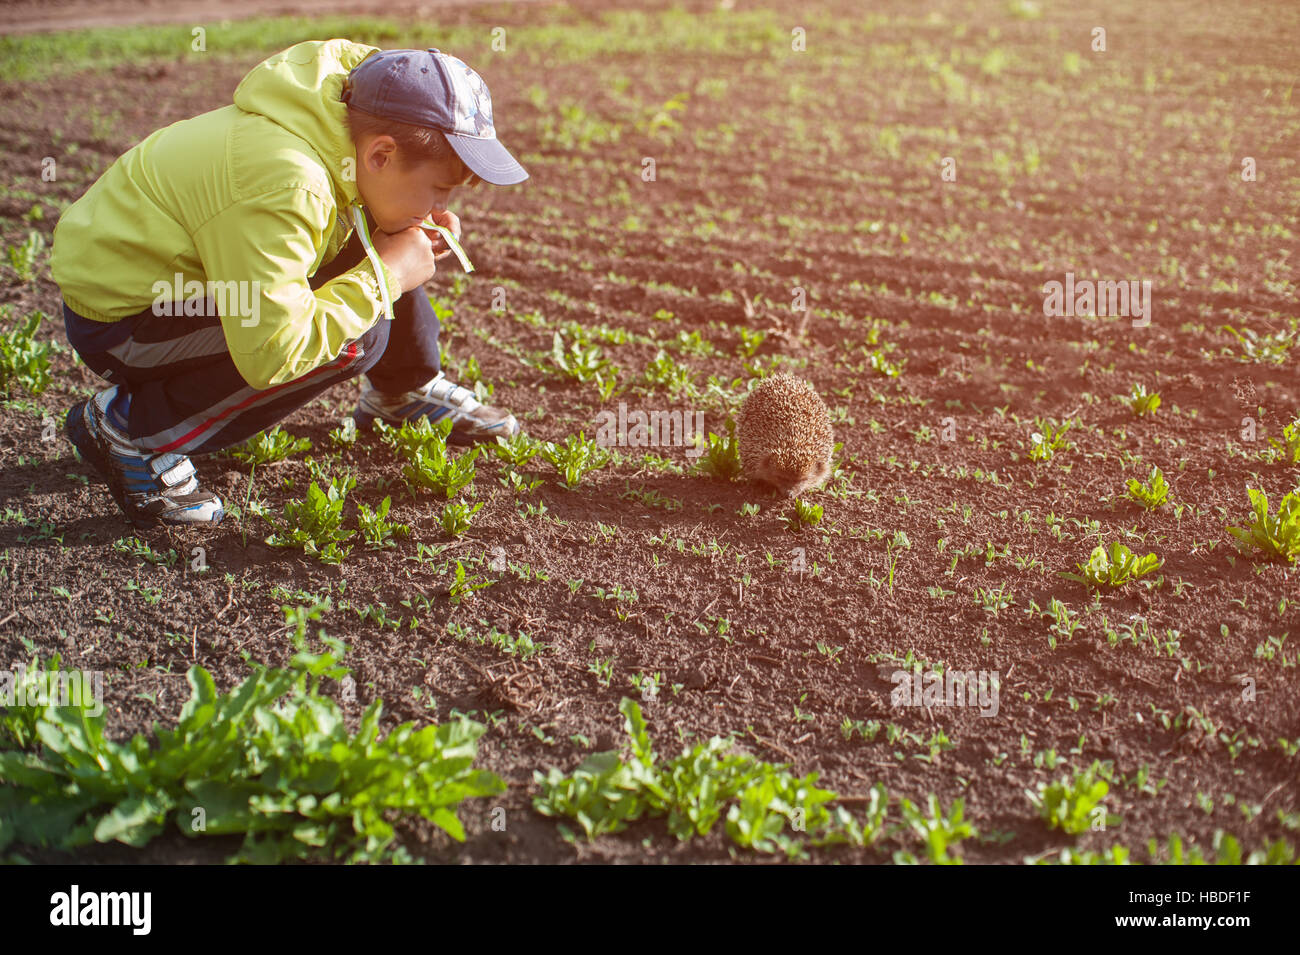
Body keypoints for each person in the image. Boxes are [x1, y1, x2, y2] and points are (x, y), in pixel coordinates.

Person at [49, 39, 527, 529]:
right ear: (382, 155)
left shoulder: (341, 129)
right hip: (126, 323)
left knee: (377, 248)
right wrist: (386, 276)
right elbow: (276, 346)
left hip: (188, 281)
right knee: (354, 334)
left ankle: (402, 391)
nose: (442, 206)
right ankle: (133, 430)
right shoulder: (287, 182)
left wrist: (399, 238)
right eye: (440, 188)